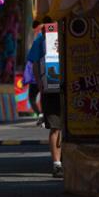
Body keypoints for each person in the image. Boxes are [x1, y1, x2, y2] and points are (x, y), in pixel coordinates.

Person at [28, 29, 63, 178]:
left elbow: (35, 62)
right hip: (71, 86)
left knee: (55, 127)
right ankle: (59, 163)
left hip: (52, 85)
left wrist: (40, 83)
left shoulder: (43, 36)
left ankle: (57, 164)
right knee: (58, 126)